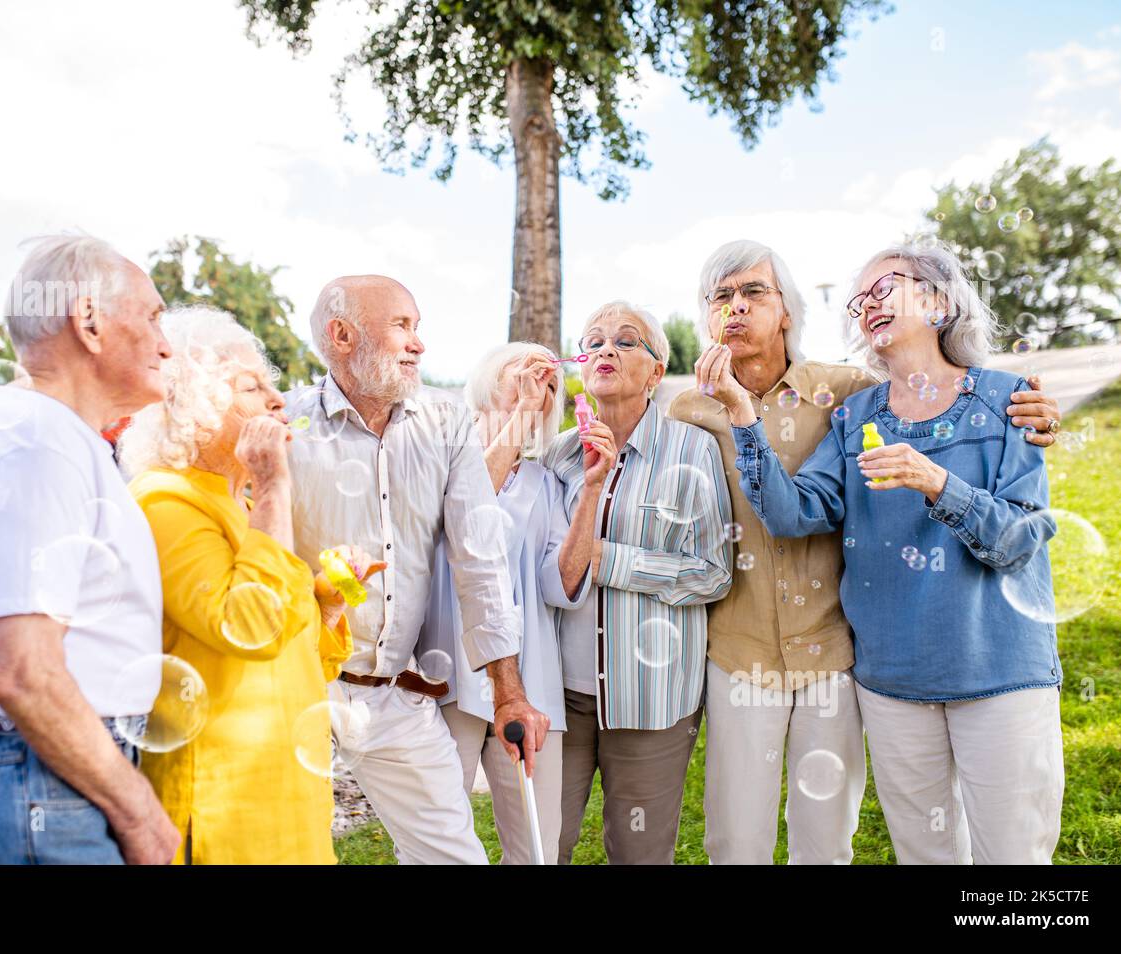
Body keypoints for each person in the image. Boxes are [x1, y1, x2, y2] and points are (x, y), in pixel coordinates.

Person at [670, 239, 1064, 865]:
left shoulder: (1006, 399)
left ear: (938, 301)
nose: (868, 305)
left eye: (887, 289)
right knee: (925, 852)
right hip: (892, 679)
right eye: (861, 299)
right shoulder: (857, 415)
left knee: (1013, 859)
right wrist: (745, 419)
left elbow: (1018, 541)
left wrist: (937, 480)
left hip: (998, 670)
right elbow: (794, 512)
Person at [0, 234, 180, 864]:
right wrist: (140, 812)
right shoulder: (34, 444)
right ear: (88, 322)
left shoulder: (50, 437)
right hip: (32, 771)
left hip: (40, 765)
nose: (166, 344)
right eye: (152, 316)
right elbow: (22, 671)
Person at [282, 275, 545, 865]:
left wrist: (509, 691)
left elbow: (479, 558)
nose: (418, 343)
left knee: (453, 857)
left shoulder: (445, 424)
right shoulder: (288, 426)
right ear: (342, 335)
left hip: (390, 691)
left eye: (417, 327)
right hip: (294, 683)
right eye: (402, 325)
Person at [119, 306, 382, 863]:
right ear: (193, 401)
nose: (277, 400)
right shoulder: (165, 499)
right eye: (251, 386)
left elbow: (298, 652)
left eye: (272, 386)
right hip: (221, 805)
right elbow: (249, 628)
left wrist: (330, 603)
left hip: (285, 794)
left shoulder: (238, 505)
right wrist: (273, 487)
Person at [542, 300, 733, 865]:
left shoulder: (690, 448)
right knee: (540, 844)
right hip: (561, 696)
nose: (605, 348)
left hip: (650, 701)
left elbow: (714, 572)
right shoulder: (559, 456)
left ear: (656, 371)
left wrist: (611, 559)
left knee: (639, 851)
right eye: (593, 340)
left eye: (625, 341)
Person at [417, 342, 611, 864]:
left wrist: (591, 491)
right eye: (522, 375)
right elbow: (462, 519)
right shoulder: (436, 452)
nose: (538, 389)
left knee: (537, 848)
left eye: (549, 383)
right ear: (486, 378)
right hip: (444, 677)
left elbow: (559, 586)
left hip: (529, 681)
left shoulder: (545, 481)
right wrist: (520, 415)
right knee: (431, 845)